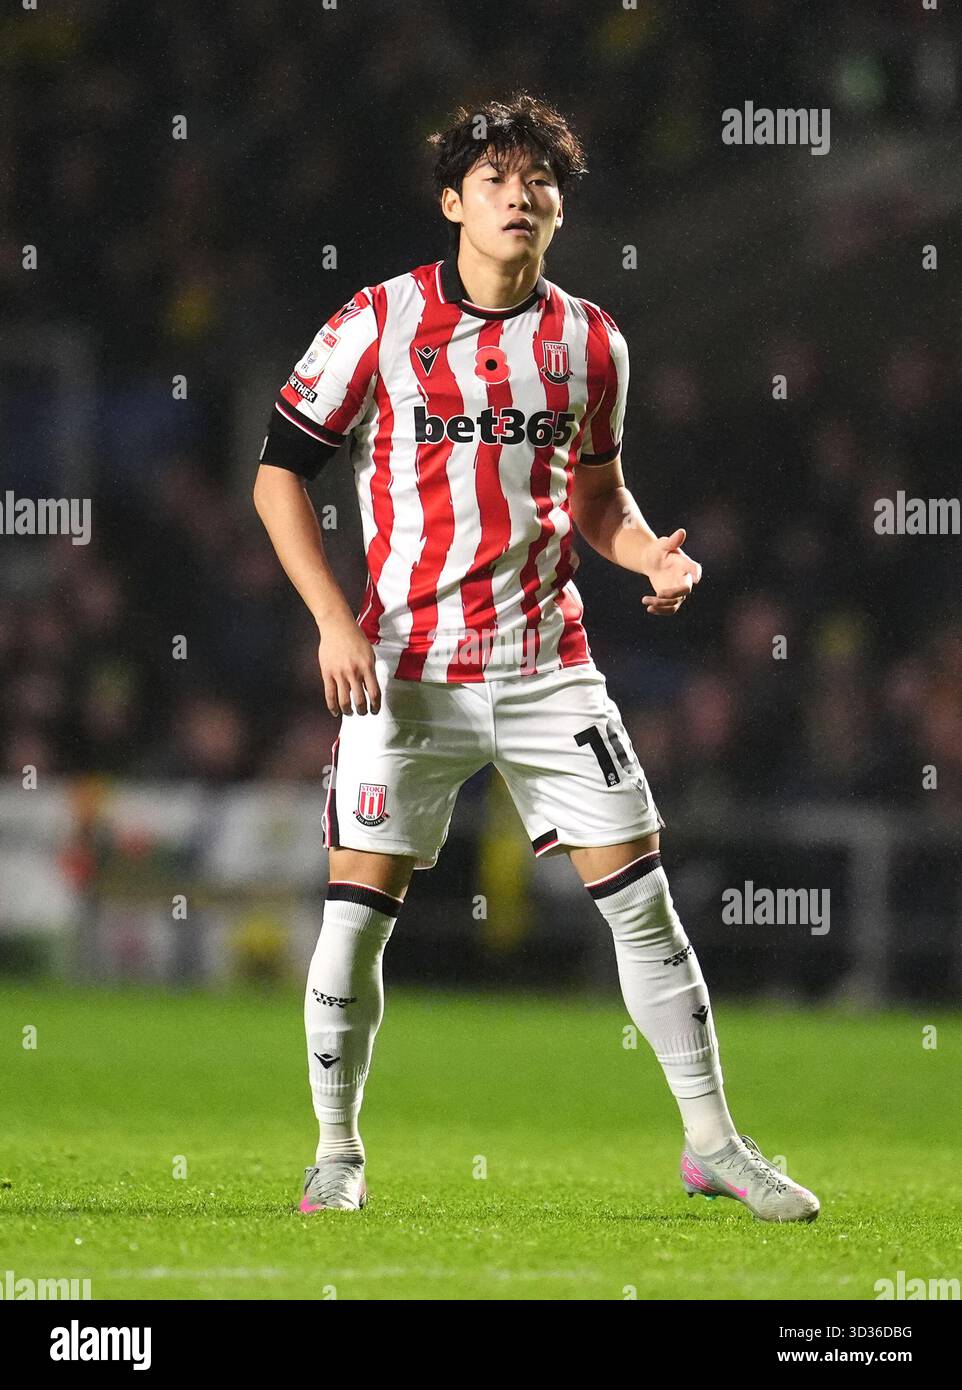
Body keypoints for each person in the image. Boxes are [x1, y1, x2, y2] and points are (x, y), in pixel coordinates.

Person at [253, 93, 819, 1223]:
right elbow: (279, 472)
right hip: (401, 669)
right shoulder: (374, 322)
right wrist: (330, 619)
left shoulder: (589, 341)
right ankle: (336, 1153)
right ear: (453, 201)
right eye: (497, 179)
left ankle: (712, 1142)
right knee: (354, 919)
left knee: (642, 904)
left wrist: (645, 555)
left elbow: (597, 499)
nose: (521, 196)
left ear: (557, 208)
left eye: (540, 182)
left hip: (543, 665)